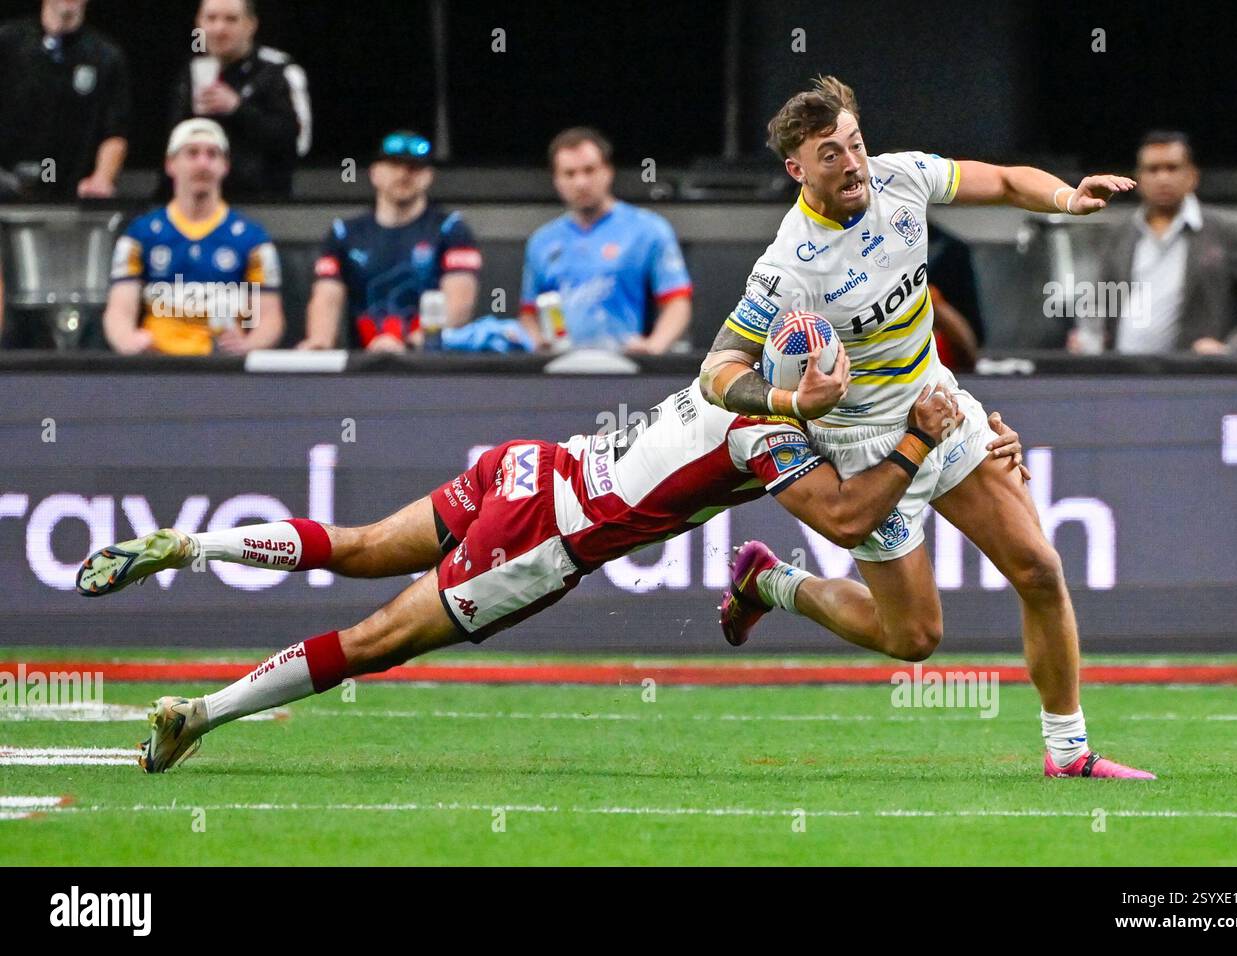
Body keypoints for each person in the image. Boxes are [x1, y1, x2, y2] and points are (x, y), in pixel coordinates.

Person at [74, 378, 1025, 772]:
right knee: (374, 641)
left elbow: (837, 411)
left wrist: (974, 440)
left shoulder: (729, 379)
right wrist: (924, 439)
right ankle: (199, 714)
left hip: (532, 462)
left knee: (362, 544)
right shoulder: (771, 434)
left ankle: (195, 545)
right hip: (543, 536)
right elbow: (853, 507)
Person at [700, 75, 1154, 779]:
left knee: (1039, 568)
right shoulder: (789, 267)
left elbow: (1003, 182)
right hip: (865, 446)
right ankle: (772, 584)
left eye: (854, 143)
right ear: (797, 169)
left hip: (941, 405)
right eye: (830, 154)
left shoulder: (900, 178)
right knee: (914, 639)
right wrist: (794, 406)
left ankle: (1069, 753)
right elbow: (718, 369)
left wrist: (1066, 197)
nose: (852, 163)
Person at [1080, 131, 1237, 354]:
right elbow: (1100, 300)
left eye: (1172, 168)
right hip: (1121, 371)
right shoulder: (1120, 232)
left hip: (1191, 374)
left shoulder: (1226, 230)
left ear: (1192, 176)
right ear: (1138, 179)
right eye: (1153, 169)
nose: (1162, 178)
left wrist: (1230, 350)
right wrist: (1088, 339)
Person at [104, 119, 284, 355]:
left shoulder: (252, 238)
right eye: (192, 153)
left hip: (223, 368)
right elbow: (119, 310)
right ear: (170, 164)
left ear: (225, 166)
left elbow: (270, 317)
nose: (203, 163)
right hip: (158, 365)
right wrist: (129, 342)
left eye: (212, 154)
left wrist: (250, 345)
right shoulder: (141, 234)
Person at [299, 131, 481, 352]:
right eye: (394, 165)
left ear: (429, 176)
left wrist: (407, 345)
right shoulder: (344, 233)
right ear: (374, 173)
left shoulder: (451, 229)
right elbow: (326, 298)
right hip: (365, 367)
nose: (404, 174)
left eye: (415, 167)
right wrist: (320, 343)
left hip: (431, 365)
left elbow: (459, 304)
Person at [520, 127, 692, 353]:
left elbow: (677, 302)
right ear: (556, 180)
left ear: (608, 171)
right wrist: (537, 343)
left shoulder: (648, 230)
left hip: (627, 367)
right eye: (570, 174)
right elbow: (529, 314)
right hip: (560, 370)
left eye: (589, 170)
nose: (581, 182)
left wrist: (654, 347)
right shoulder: (541, 241)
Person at [164, 0, 310, 200]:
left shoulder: (278, 70)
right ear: (199, 23)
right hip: (198, 202)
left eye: (231, 19)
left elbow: (298, 142)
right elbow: (174, 143)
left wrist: (238, 109)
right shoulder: (191, 70)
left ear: (251, 25)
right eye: (211, 18)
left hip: (265, 201)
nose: (219, 28)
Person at [0, 0, 129, 199]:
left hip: (72, 199)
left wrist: (102, 179)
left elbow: (114, 131)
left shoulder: (105, 56)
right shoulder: (8, 43)